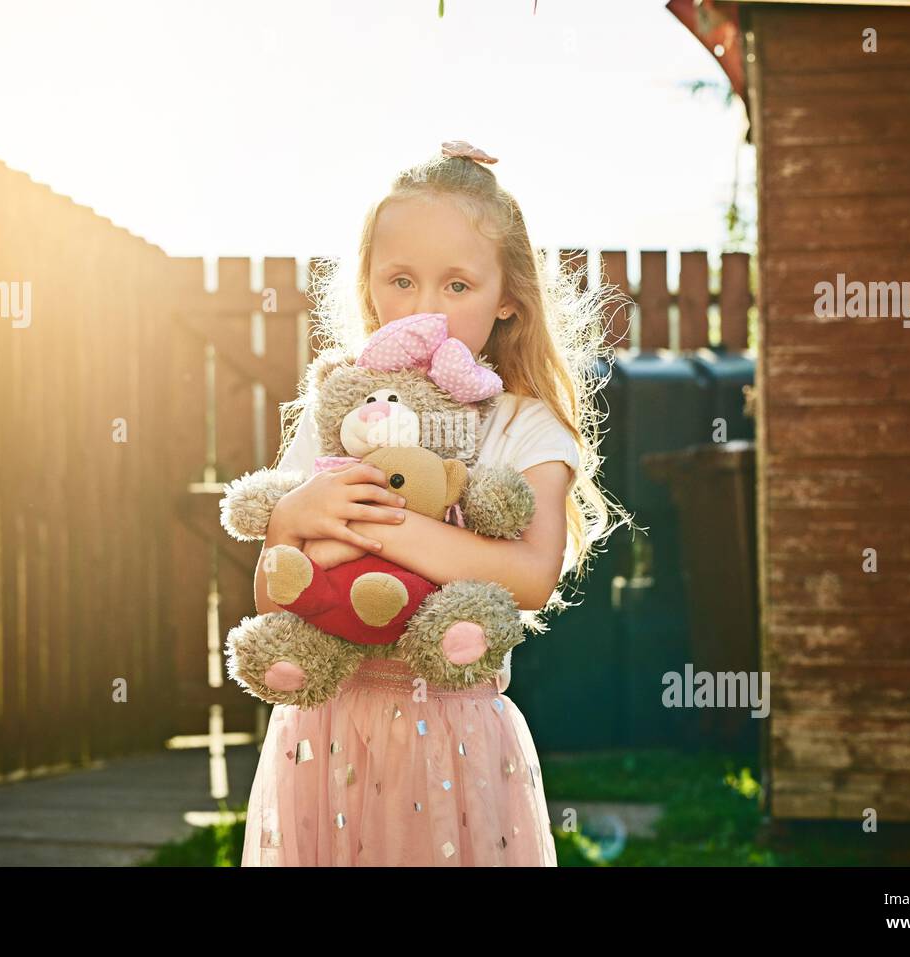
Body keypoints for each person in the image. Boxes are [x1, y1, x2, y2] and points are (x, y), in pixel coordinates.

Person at [238, 140, 631, 866]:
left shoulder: (524, 425)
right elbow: (272, 589)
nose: (426, 310)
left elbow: (528, 574)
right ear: (368, 286)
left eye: (457, 286)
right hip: (323, 735)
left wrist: (377, 525)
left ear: (508, 295)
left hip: (451, 736)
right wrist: (294, 517)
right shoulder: (340, 413)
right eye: (401, 281)